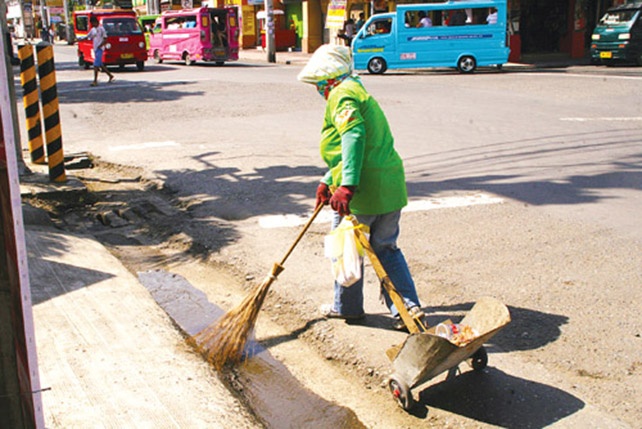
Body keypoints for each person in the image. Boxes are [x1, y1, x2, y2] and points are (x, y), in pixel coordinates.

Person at [297, 45, 424, 330]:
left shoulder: (341, 95)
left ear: (328, 77)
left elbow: (353, 137)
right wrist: (328, 179)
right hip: (388, 186)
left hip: (363, 191)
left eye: (319, 82)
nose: (318, 88)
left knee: (346, 250)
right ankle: (408, 310)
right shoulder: (356, 88)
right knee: (386, 249)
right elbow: (356, 149)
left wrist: (346, 186)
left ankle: (348, 308)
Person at [84, 16, 114, 87]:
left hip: (100, 49)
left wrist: (100, 45)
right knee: (100, 64)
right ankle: (110, 75)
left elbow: (105, 39)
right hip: (95, 49)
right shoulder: (93, 30)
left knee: (95, 65)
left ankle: (95, 80)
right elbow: (88, 36)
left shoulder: (101, 29)